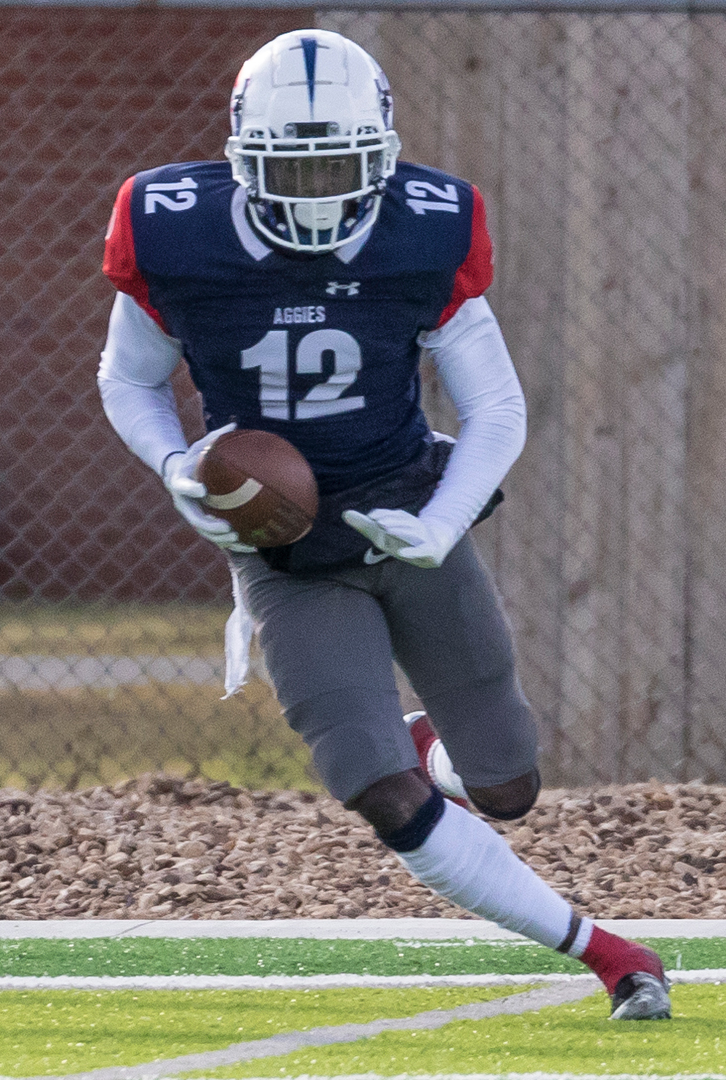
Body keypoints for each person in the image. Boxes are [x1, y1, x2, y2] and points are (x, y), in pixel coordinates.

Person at [98, 29, 670, 1020]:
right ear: (241, 160)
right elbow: (129, 380)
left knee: (507, 787)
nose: (318, 193)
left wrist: (444, 524)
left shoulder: (427, 226)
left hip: (406, 507)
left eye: (340, 167)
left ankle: (425, 736)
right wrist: (179, 468)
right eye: (295, 168)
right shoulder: (172, 228)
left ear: (384, 157)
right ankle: (607, 953)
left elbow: (496, 408)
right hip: (285, 554)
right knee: (383, 792)